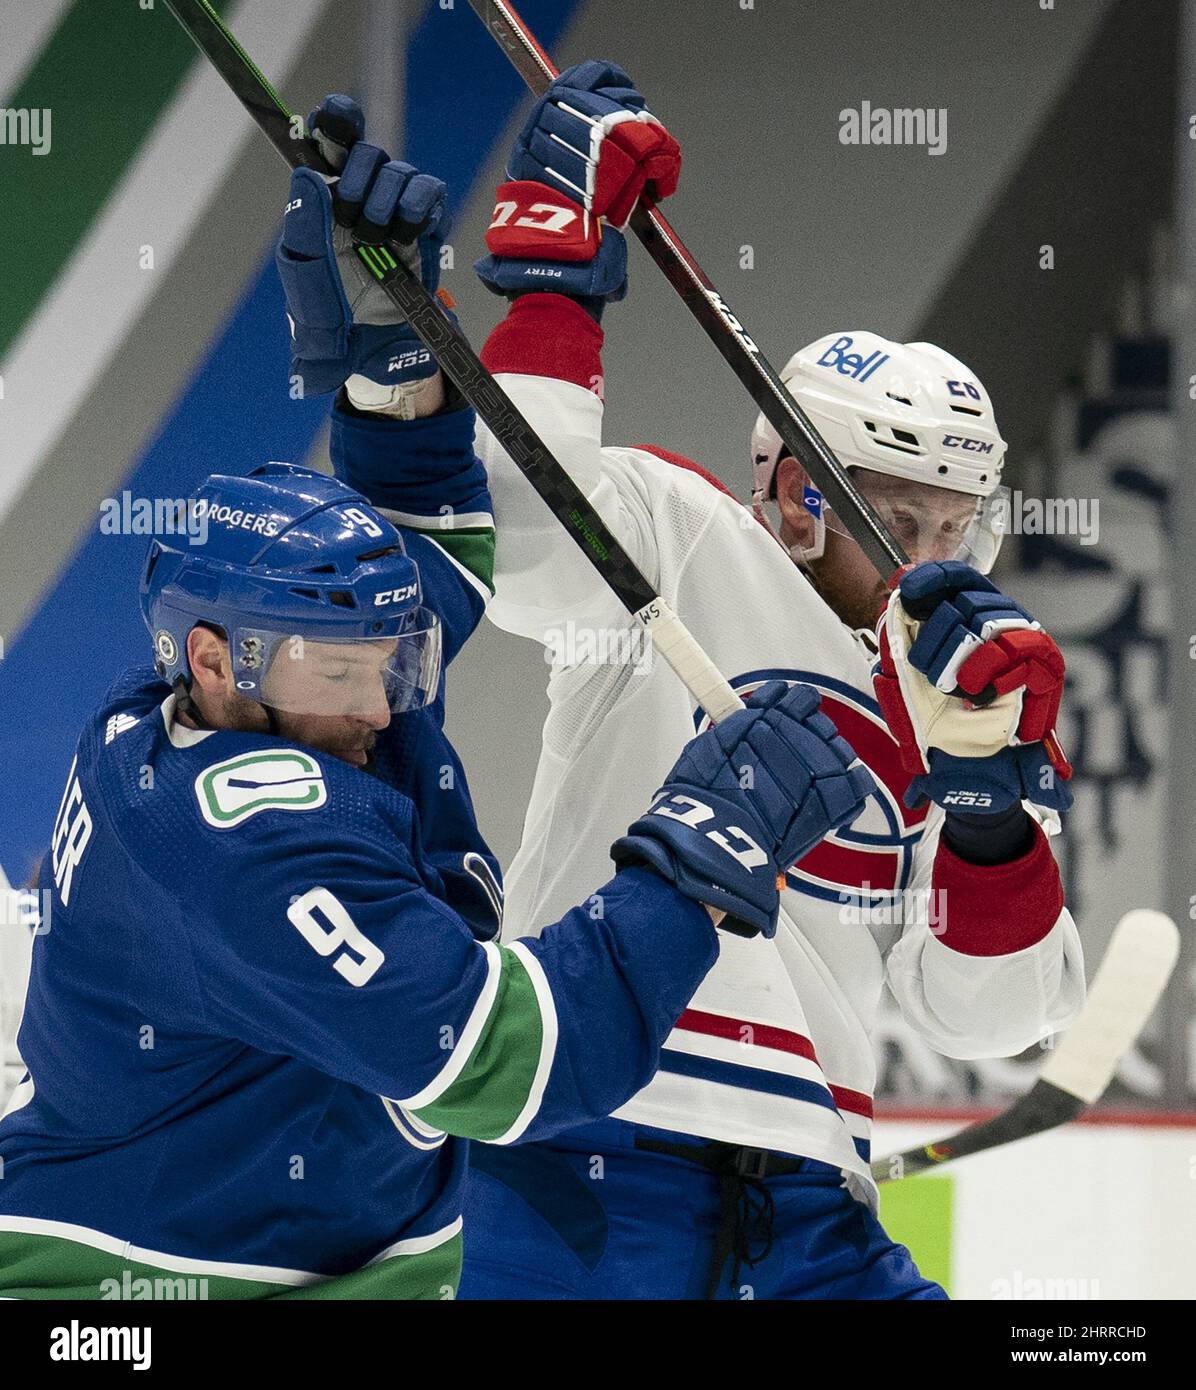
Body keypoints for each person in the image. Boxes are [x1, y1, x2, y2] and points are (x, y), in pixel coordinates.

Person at [0, 124, 874, 1301]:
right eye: (343, 669)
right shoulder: (243, 837)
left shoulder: (235, 702)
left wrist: (394, 371)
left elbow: (426, 578)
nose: (388, 704)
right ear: (216, 660)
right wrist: (695, 858)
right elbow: (514, 1063)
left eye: (393, 660)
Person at [307, 68, 1085, 1299]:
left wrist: (989, 808)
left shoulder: (969, 691)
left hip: (807, 1205)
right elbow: (516, 540)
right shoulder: (681, 534)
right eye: (894, 520)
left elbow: (986, 1017)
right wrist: (556, 280)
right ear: (791, 492)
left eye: (954, 532)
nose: (925, 564)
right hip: (570, 1159)